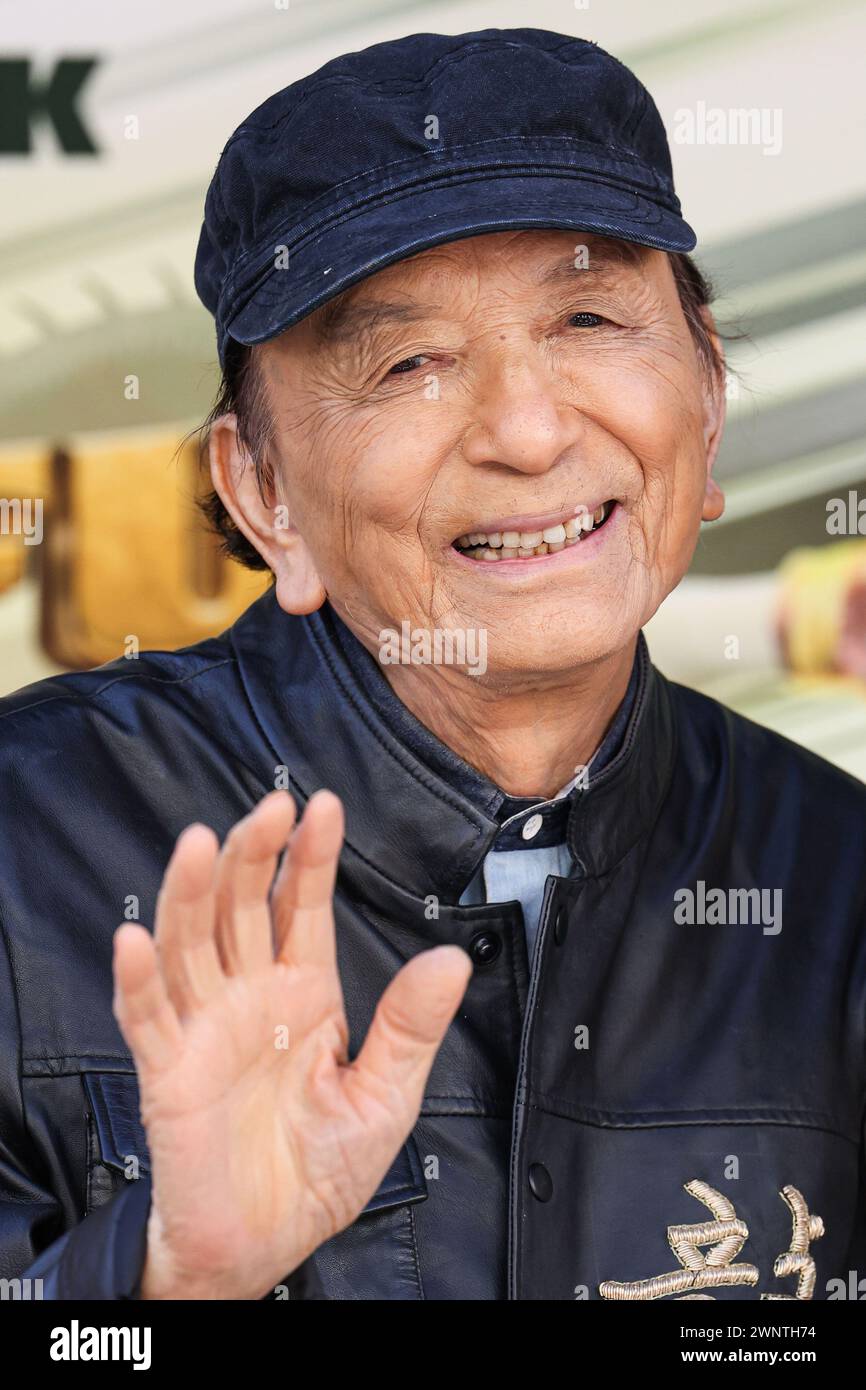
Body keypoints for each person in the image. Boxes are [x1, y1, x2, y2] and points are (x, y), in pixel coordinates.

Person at [2, 28, 864, 1302]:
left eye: (587, 318)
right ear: (262, 493)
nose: (526, 428)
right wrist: (164, 1277)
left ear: (707, 398)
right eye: (408, 363)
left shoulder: (836, 882)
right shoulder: (30, 842)